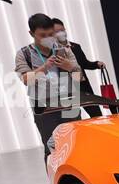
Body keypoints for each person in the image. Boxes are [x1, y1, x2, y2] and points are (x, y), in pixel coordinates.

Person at [14, 12, 81, 156]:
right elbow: (26, 80)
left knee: (76, 145)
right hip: (44, 107)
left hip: (70, 101)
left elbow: (80, 77)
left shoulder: (65, 50)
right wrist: (44, 67)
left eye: (50, 34)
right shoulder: (24, 54)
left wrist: (70, 67)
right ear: (31, 33)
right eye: (42, 35)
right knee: (52, 148)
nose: (48, 38)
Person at [48, 17, 105, 103]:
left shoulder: (76, 47)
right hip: (65, 87)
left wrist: (97, 64)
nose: (61, 33)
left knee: (94, 111)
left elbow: (84, 63)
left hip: (82, 84)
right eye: (57, 32)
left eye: (62, 30)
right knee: (73, 114)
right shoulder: (50, 50)